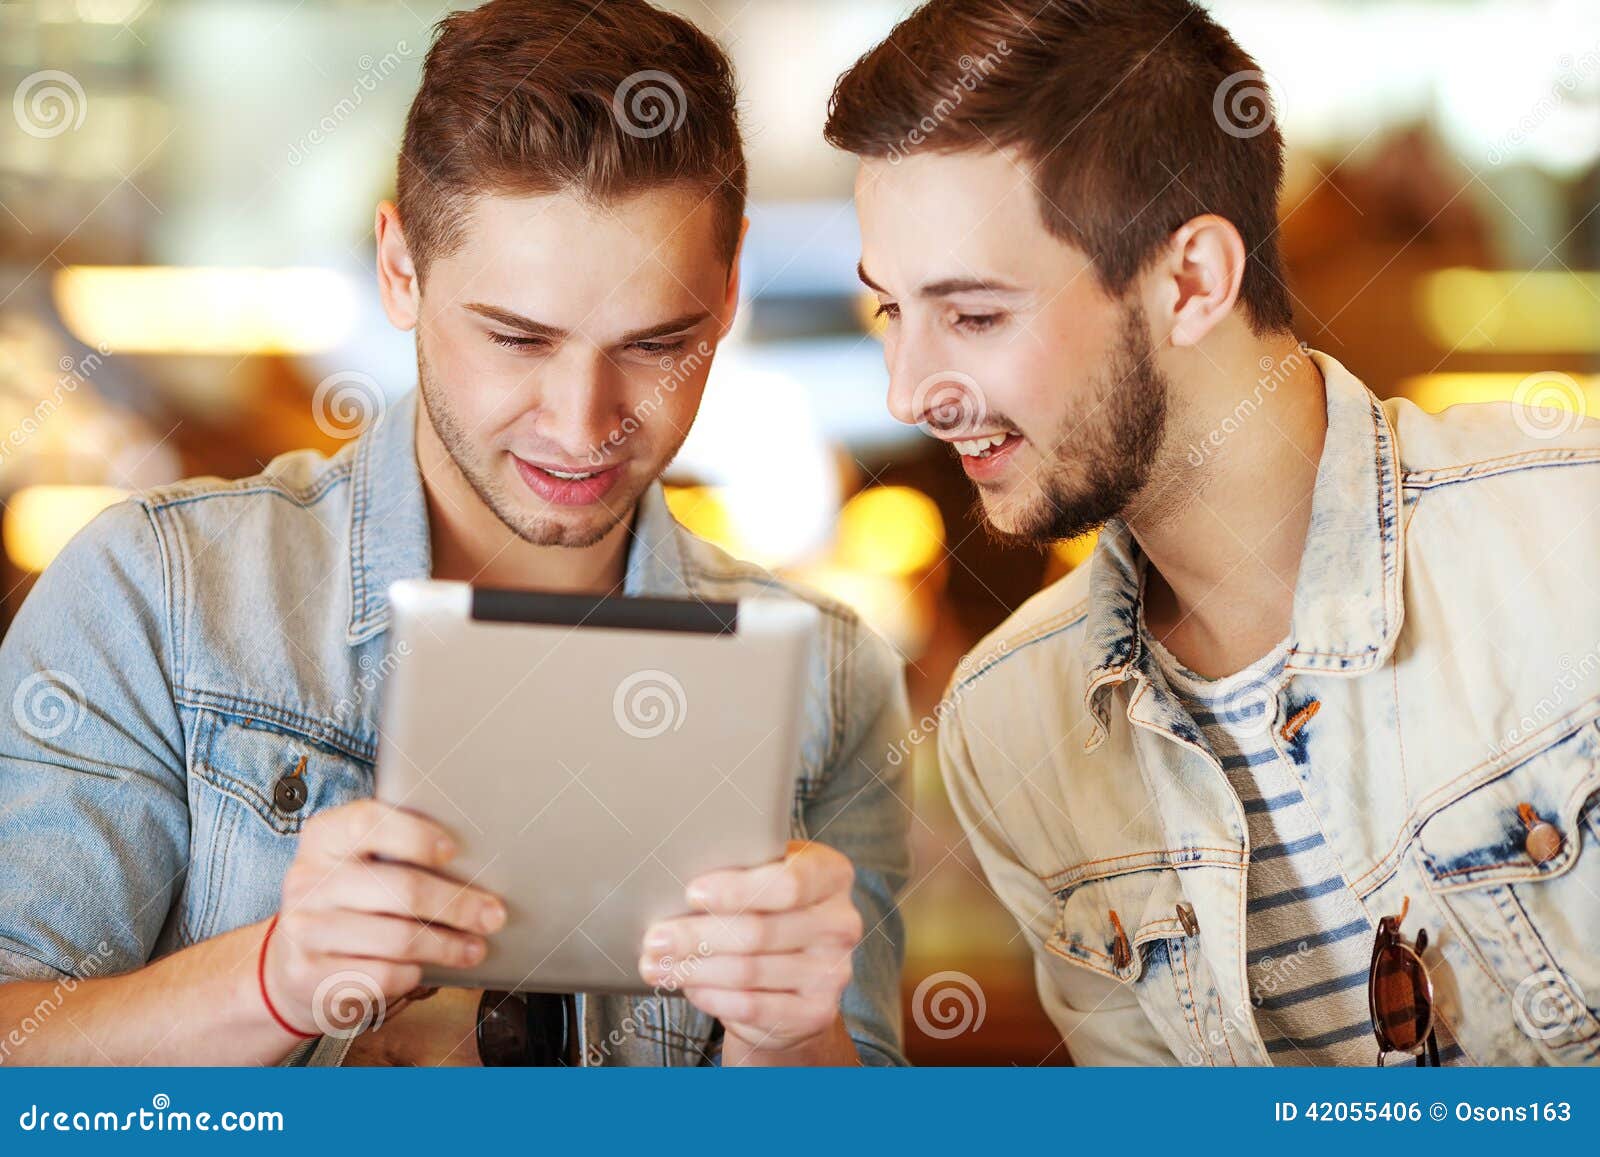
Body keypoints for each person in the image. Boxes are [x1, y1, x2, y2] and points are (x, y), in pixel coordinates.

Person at [0, 0, 910, 1068]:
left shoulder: (835, 680)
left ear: (729, 289)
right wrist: (273, 979)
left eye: (658, 340)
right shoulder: (154, 593)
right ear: (399, 269)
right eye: (516, 339)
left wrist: (792, 1033)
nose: (582, 424)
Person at [827, 0, 1600, 1066]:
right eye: (888, 312)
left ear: (1190, 280)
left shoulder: (1571, 531)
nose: (909, 390)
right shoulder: (1009, 722)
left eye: (973, 316)